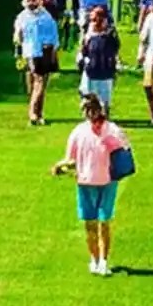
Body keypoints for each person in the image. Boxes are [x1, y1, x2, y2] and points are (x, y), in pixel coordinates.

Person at [51, 95, 128, 277]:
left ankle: (103, 261)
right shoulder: (78, 132)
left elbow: (122, 154)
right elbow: (71, 159)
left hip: (107, 182)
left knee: (104, 223)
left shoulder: (111, 130)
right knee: (90, 225)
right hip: (85, 183)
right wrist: (60, 167)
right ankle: (94, 259)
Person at [14, 0, 60, 126]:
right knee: (34, 84)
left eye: (34, 0)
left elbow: (54, 34)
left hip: (45, 51)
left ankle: (36, 113)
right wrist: (19, 40)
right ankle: (34, 112)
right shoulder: (22, 17)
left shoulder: (46, 16)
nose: (31, 3)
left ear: (39, 1)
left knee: (40, 83)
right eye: (28, 0)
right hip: (30, 52)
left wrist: (54, 52)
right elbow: (17, 37)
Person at [78, 7, 120, 118]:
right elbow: (83, 50)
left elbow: (115, 49)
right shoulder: (88, 33)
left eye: (98, 17)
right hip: (91, 70)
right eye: (93, 18)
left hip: (106, 70)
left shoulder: (110, 33)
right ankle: (90, 116)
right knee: (89, 95)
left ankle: (105, 117)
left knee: (105, 98)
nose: (95, 20)